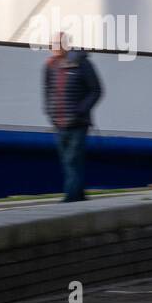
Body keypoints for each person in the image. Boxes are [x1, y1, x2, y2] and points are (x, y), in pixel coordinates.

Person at [43, 33, 102, 202]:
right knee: (68, 161)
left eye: (57, 44)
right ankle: (79, 195)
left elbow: (96, 90)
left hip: (78, 123)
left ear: (65, 45)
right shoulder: (50, 66)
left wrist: (81, 110)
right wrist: (50, 112)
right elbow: (47, 90)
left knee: (72, 159)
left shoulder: (82, 63)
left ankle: (70, 198)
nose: (53, 47)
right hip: (59, 122)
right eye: (52, 43)